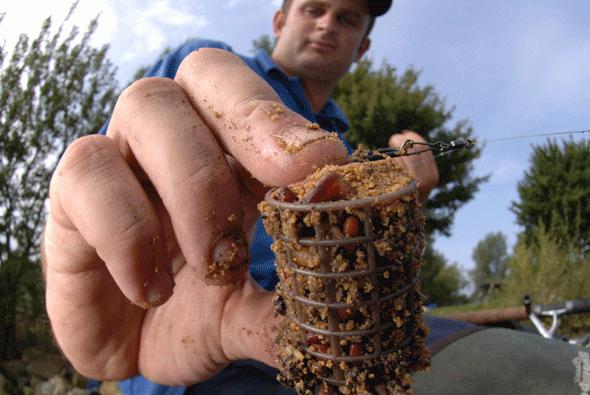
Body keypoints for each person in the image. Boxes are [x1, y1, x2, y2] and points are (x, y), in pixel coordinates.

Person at [42, 1, 588, 394]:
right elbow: (107, 185)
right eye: (314, 8)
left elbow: (365, 273)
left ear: (362, 46)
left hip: (341, 347)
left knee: (541, 374)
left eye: (348, 18)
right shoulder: (198, 70)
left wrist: (402, 200)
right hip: (194, 369)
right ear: (280, 20)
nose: (328, 23)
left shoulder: (344, 142)